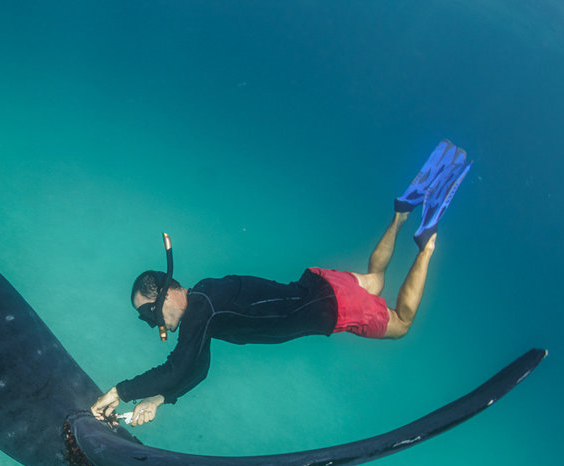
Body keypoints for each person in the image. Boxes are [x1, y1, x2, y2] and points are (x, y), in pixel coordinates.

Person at [91, 140, 472, 426]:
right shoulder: (206, 301)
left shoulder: (202, 309)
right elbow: (197, 366)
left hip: (331, 307)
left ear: (167, 294)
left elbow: (178, 365)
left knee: (401, 323)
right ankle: (401, 214)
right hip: (319, 285)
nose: (153, 324)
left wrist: (119, 391)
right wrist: (158, 399)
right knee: (373, 280)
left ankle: (426, 245)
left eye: (149, 315)